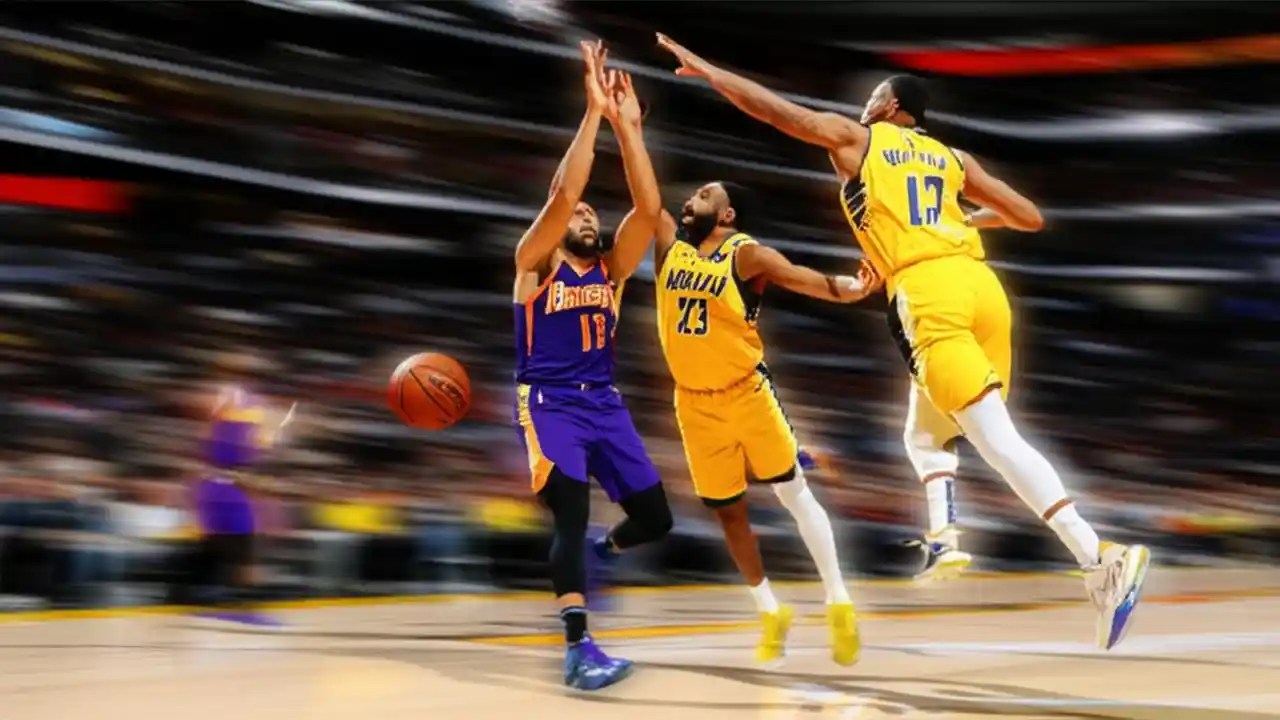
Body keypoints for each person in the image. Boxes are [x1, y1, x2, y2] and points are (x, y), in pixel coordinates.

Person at [656, 34, 1150, 650]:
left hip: (927, 290)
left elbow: (779, 113)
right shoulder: (953, 158)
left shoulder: (863, 141)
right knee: (923, 432)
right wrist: (967, 220)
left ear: (892, 106)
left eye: (873, 95)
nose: (865, 102)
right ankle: (945, 537)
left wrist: (710, 71)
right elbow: (1028, 216)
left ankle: (1098, 553)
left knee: (995, 439)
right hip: (982, 289)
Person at [652, 179, 880, 666]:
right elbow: (643, 190)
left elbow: (804, 278)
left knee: (792, 491)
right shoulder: (670, 250)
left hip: (746, 392)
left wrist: (856, 287)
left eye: (704, 195)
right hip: (693, 403)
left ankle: (838, 601)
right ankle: (771, 611)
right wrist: (625, 125)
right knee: (728, 514)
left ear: (728, 214)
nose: (691, 199)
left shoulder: (745, 255)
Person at [512, 42, 672, 690]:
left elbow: (649, 211)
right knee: (570, 515)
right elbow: (563, 189)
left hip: (605, 402)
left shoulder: (612, 272)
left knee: (657, 519)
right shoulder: (535, 262)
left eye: (589, 213)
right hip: (549, 402)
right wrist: (593, 113)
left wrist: (630, 130)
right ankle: (578, 651)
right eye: (576, 213)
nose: (583, 213)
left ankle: (603, 557)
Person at [192, 360, 296, 627]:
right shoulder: (249, 412)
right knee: (244, 547)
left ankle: (219, 600)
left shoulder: (232, 407)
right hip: (226, 488)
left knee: (227, 545)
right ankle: (242, 606)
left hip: (212, 486)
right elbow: (248, 459)